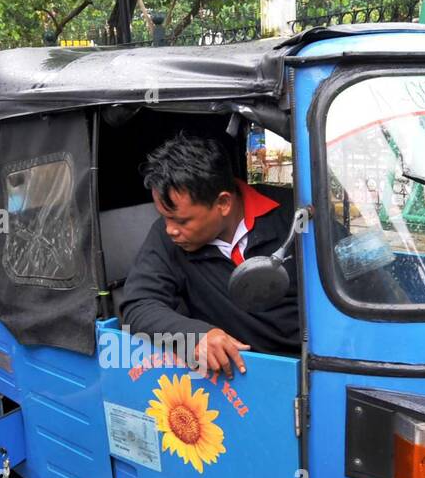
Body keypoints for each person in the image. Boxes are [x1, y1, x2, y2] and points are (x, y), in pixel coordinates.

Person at [120, 132, 297, 378]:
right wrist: (195, 336)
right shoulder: (166, 237)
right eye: (164, 217)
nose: (170, 229)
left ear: (223, 203)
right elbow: (138, 306)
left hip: (307, 370)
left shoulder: (294, 216)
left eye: (181, 220)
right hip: (234, 380)